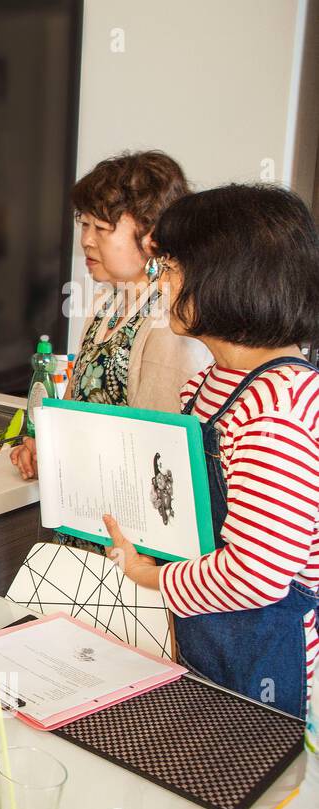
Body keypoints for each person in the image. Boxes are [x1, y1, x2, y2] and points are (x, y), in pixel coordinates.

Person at [106, 184, 319, 719]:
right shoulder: (210, 382)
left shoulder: (278, 412)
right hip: (208, 633)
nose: (162, 285)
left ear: (226, 281)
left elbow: (256, 575)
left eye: (173, 270)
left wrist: (148, 575)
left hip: (273, 659)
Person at [12, 151, 209, 480]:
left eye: (101, 227)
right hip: (85, 511)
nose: (86, 241)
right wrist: (45, 444)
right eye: (84, 223)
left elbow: (161, 452)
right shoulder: (106, 302)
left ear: (151, 235)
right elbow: (76, 410)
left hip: (125, 525)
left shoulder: (169, 318)